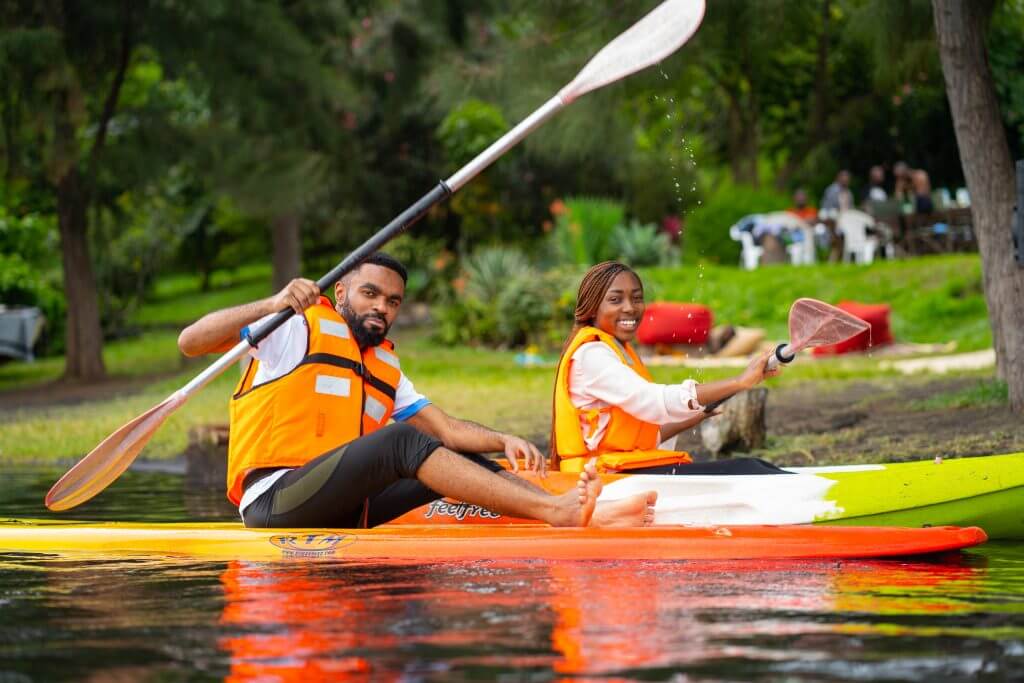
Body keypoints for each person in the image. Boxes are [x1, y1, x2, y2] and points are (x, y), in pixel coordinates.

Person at [178, 252, 654, 528]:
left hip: (345, 509)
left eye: (392, 301)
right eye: (370, 294)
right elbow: (191, 341)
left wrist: (501, 441)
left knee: (452, 456)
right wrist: (272, 302)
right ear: (341, 292)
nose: (381, 307)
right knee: (401, 442)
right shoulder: (293, 328)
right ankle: (555, 511)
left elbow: (445, 428)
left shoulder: (383, 363)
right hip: (274, 500)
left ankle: (586, 514)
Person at [551, 261, 786, 475]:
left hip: (621, 474)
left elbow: (648, 436)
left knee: (757, 466)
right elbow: (654, 402)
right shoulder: (592, 356)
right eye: (615, 300)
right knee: (749, 468)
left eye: (636, 298)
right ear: (592, 308)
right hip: (600, 484)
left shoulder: (617, 351)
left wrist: (700, 412)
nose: (630, 308)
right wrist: (739, 381)